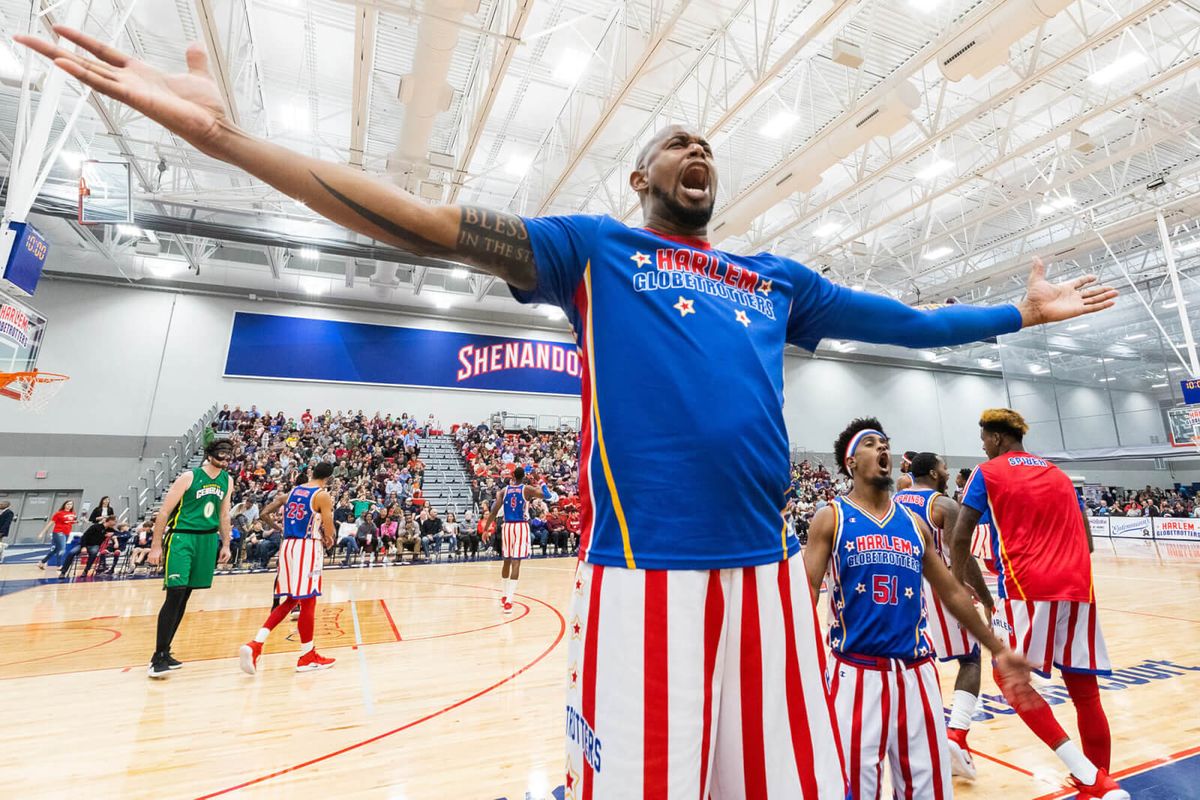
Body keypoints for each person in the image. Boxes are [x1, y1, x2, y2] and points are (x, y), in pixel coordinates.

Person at [17, 28, 1118, 795]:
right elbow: (419, 219)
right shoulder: (590, 252)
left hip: (776, 586)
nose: (701, 153)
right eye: (679, 142)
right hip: (644, 590)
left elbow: (908, 319)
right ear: (636, 173)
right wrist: (229, 142)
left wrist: (1013, 314)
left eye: (711, 148)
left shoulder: (775, 277)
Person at [803, 419, 1034, 800]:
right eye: (871, 444)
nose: (883, 449)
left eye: (885, 443)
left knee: (926, 790)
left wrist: (998, 648)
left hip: (916, 673)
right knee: (853, 789)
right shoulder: (832, 516)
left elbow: (953, 593)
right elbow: (808, 589)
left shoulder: (913, 524)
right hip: (857, 671)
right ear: (851, 463)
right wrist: (798, 661)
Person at [948, 409, 1129, 800]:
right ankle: (1097, 783)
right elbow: (1090, 541)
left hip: (1028, 585)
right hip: (1080, 586)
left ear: (997, 439)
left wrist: (957, 582)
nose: (982, 447)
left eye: (983, 440)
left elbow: (960, 536)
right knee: (1086, 692)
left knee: (1006, 677)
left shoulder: (988, 472)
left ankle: (1086, 775)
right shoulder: (1060, 475)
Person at [894, 451, 991, 779]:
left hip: (901, 589)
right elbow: (962, 552)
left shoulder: (894, 499)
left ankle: (918, 739)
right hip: (937, 587)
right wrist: (983, 595)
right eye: (944, 466)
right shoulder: (943, 505)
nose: (948, 471)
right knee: (971, 659)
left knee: (915, 664)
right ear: (934, 472)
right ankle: (957, 734)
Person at [146, 439, 233, 679]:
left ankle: (166, 651)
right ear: (210, 454)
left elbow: (224, 514)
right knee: (174, 593)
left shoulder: (228, 480)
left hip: (207, 539)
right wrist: (155, 546)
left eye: (228, 456)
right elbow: (164, 512)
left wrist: (226, 543)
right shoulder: (189, 477)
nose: (225, 460)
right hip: (182, 537)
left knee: (185, 596)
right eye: (221, 455)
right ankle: (157, 657)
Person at [240, 462, 336, 674]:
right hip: (307, 547)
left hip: (288, 547)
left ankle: (256, 643)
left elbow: (264, 512)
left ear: (312, 472)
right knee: (309, 601)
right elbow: (328, 523)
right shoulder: (321, 495)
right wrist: (329, 538)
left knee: (291, 600)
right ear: (328, 477)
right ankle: (307, 656)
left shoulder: (293, 491)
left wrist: (279, 527)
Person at [483, 467, 552, 614]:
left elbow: (494, 511)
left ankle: (504, 595)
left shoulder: (504, 491)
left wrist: (486, 529)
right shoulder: (527, 489)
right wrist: (540, 480)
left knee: (506, 560)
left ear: (512, 476)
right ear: (524, 476)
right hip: (520, 527)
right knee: (516, 562)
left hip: (507, 526)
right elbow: (547, 495)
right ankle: (509, 600)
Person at [38, 500, 77, 570]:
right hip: (58, 532)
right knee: (62, 548)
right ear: (64, 505)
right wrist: (42, 533)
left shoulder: (73, 514)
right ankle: (59, 565)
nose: (69, 506)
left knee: (56, 549)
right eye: (68, 504)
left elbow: (71, 522)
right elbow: (51, 523)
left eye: (71, 504)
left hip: (66, 533)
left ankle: (42, 562)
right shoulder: (59, 513)